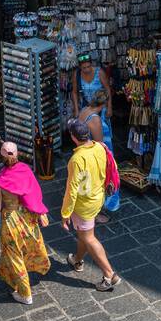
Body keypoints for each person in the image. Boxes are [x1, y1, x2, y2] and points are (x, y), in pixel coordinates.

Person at [60, 119, 122, 292]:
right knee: (84, 233)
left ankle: (109, 274)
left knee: (88, 237)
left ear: (73, 137)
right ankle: (77, 260)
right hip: (98, 198)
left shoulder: (76, 159)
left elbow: (71, 190)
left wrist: (65, 213)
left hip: (84, 206)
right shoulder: (100, 146)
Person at [0, 141, 51, 305]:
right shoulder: (25, 170)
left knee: (13, 254)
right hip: (26, 216)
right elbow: (34, 193)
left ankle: (25, 293)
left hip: (10, 220)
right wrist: (40, 212)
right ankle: (10, 277)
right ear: (17, 154)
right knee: (25, 247)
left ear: (2, 156)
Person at [78, 87, 120, 222]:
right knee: (95, 185)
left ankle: (84, 211)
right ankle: (94, 214)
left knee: (85, 184)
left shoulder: (84, 110)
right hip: (93, 156)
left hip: (83, 152)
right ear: (104, 103)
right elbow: (99, 143)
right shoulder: (95, 119)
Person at [69, 53, 112, 150]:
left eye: (89, 66)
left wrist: (109, 107)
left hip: (101, 108)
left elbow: (107, 89)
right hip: (87, 107)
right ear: (80, 67)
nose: (87, 69)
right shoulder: (77, 75)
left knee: (103, 132)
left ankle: (105, 153)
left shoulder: (99, 72)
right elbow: (74, 92)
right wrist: (76, 109)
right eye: (84, 68)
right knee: (88, 134)